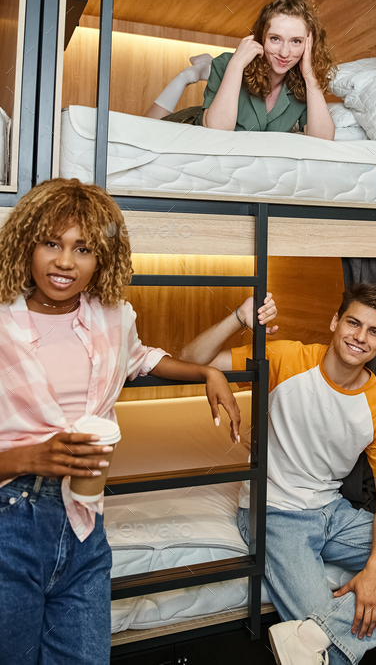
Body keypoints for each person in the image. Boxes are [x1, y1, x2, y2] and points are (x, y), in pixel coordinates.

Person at [0, 177, 277, 665]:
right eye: (51, 243)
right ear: (27, 243)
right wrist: (30, 457)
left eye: (83, 249)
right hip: (10, 517)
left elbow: (141, 357)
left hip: (85, 523)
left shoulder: (112, 318)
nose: (65, 262)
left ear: (101, 258)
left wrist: (207, 371)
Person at [180, 282, 376, 665]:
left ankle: (313, 634)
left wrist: (375, 571)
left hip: (332, 513)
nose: (360, 337)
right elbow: (189, 359)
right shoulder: (288, 359)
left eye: (374, 331)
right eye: (353, 323)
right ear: (335, 321)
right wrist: (239, 317)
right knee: (332, 658)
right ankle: (322, 638)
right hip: (274, 513)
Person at [145, 0, 337, 140]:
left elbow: (323, 139)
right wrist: (235, 65)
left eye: (296, 41)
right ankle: (191, 74)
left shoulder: (304, 84)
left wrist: (310, 78)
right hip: (190, 122)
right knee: (146, 128)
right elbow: (217, 130)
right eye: (275, 39)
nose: (285, 53)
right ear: (261, 37)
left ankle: (205, 67)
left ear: (309, 44)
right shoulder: (228, 63)